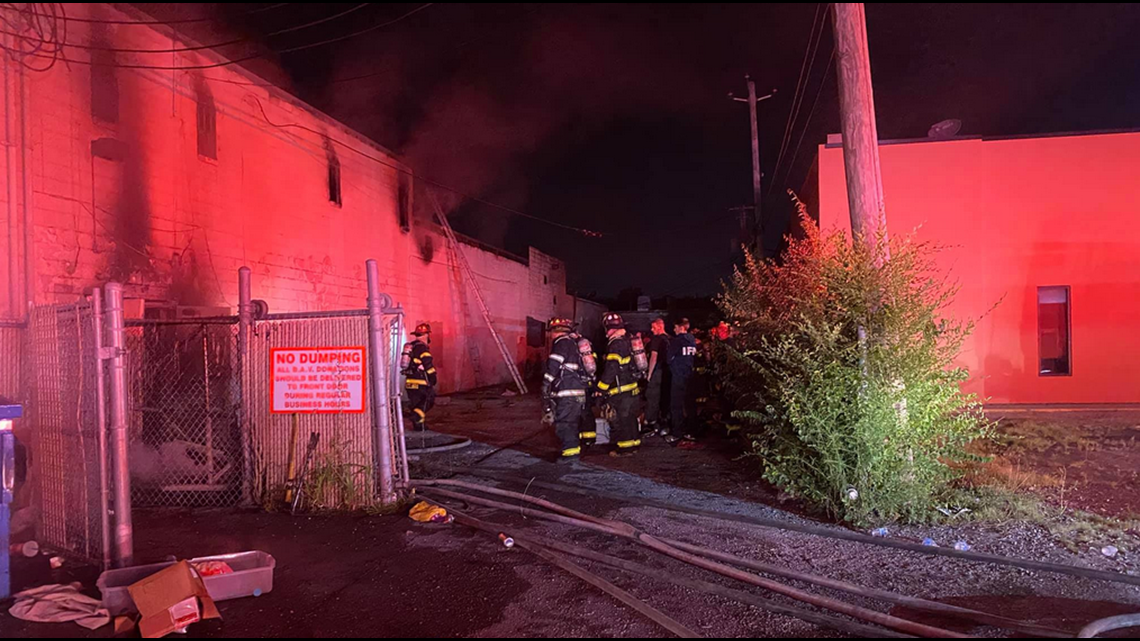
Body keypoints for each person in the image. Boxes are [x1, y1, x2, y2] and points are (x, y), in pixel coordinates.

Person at [541, 317, 591, 461]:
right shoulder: (573, 344)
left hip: (567, 392)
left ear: (555, 332)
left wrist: (545, 383)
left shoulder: (561, 343)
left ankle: (570, 455)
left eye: (550, 332)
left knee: (565, 424)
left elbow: (554, 365)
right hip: (578, 392)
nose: (549, 335)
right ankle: (573, 450)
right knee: (572, 422)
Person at [596, 312, 641, 456]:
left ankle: (625, 449)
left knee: (623, 420)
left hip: (621, 390)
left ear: (608, 329)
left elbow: (612, 368)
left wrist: (601, 388)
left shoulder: (615, 344)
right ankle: (634, 445)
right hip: (632, 388)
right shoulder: (627, 340)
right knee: (631, 418)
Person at [665, 317, 699, 445]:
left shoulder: (676, 341)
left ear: (680, 327)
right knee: (690, 405)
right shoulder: (692, 340)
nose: (674, 329)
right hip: (689, 376)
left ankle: (676, 433)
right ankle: (692, 431)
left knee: (676, 405)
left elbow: (669, 359)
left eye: (675, 327)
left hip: (678, 376)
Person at [402, 323, 437, 431]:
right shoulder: (422, 348)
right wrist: (433, 378)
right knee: (428, 401)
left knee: (416, 404)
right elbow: (428, 365)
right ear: (426, 335)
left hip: (409, 382)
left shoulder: (411, 346)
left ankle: (419, 426)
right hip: (421, 382)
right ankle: (416, 419)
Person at [643, 317, 670, 436]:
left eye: (653, 327)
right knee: (665, 396)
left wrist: (649, 374)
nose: (651, 330)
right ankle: (665, 419)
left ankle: (650, 422)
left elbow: (653, 357)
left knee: (652, 396)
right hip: (668, 372)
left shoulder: (656, 340)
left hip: (658, 371)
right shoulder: (670, 339)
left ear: (659, 327)